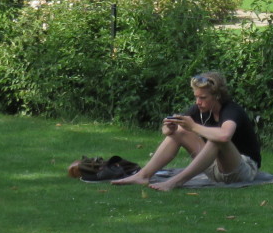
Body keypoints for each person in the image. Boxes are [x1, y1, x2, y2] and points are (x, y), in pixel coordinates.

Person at [112, 71, 262, 191]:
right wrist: (168, 128)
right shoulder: (199, 109)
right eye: (196, 97)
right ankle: (143, 175)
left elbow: (224, 136)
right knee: (179, 132)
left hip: (242, 170)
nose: (198, 102)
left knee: (216, 139)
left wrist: (194, 127)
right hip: (215, 167)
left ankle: (175, 182)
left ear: (217, 96)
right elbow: (171, 130)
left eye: (203, 97)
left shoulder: (231, 110)